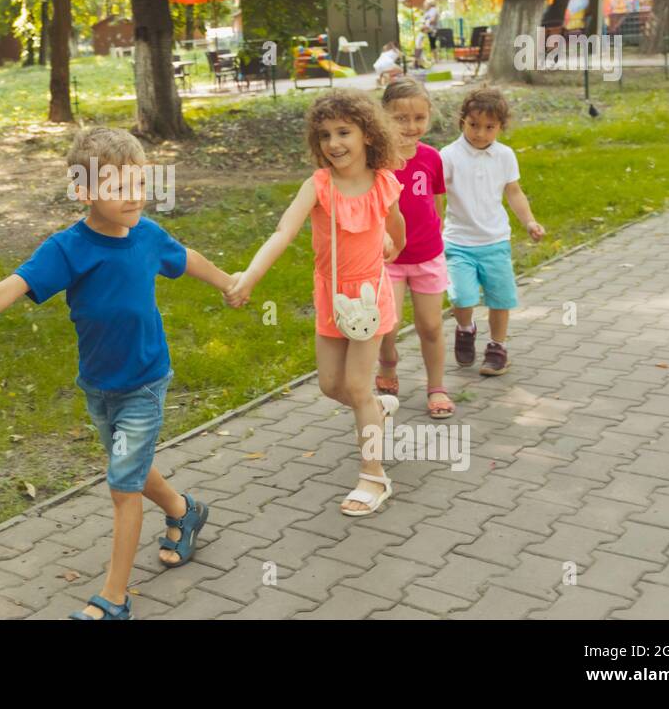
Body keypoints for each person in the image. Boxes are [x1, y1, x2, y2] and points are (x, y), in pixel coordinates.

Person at [0, 127, 238, 620]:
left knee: (123, 487)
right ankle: (184, 511)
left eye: (139, 184)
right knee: (132, 465)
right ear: (83, 191)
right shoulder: (68, 249)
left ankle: (114, 599)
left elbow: (185, 258)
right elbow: (9, 287)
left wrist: (227, 282)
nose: (133, 197)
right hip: (99, 385)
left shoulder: (148, 236)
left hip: (145, 381)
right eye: (118, 187)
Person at [227, 92, 405, 516]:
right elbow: (282, 233)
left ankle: (373, 476)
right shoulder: (319, 185)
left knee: (359, 386)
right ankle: (375, 412)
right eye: (324, 135)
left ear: (367, 134)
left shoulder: (383, 181)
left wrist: (393, 244)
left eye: (344, 132)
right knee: (331, 384)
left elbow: (395, 222)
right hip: (332, 295)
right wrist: (249, 276)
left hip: (370, 297)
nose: (334, 143)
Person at [442, 88, 546, 376]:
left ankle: (497, 347)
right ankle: (465, 328)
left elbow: (513, 193)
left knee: (500, 298)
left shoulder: (505, 155)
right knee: (461, 297)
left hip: (495, 241)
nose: (480, 133)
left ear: (501, 127)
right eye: (473, 125)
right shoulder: (448, 156)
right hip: (458, 241)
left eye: (490, 127)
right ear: (462, 121)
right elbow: (437, 197)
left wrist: (529, 222)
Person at [377, 79, 452, 417]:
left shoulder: (432, 158)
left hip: (427, 257)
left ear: (429, 117)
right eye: (400, 119)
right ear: (383, 117)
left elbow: (436, 203)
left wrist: (436, 237)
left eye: (419, 118)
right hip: (390, 259)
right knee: (387, 325)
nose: (411, 127)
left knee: (431, 326)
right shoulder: (376, 162)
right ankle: (388, 361)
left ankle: (436, 387)